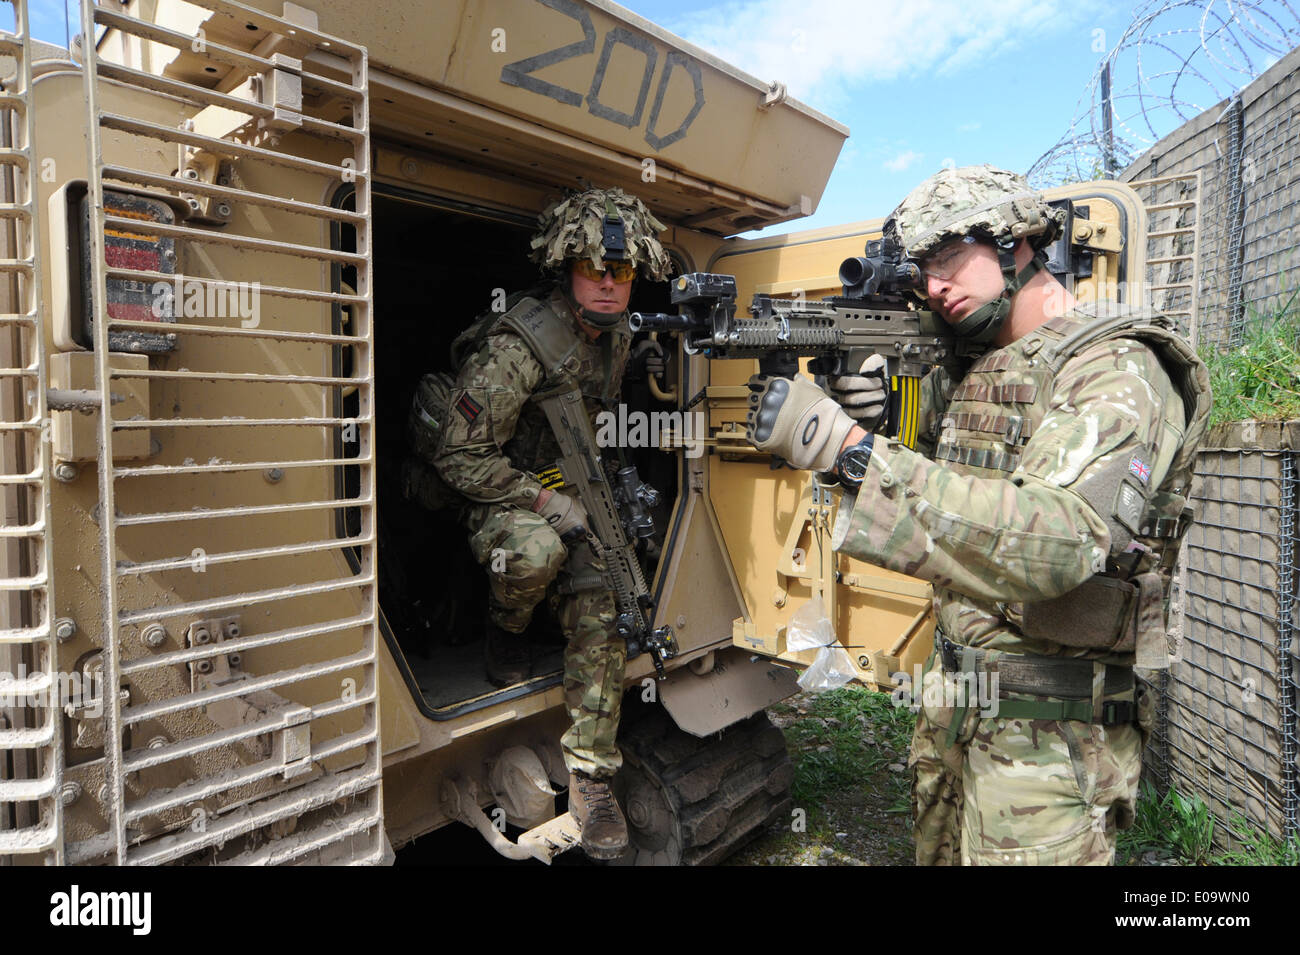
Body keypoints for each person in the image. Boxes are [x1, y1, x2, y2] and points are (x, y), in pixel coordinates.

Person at [745, 165, 1211, 865]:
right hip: (956, 709)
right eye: (923, 270)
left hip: (1051, 746)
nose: (934, 286)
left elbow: (1059, 538)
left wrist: (851, 452)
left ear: (1015, 242)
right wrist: (882, 420)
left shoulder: (1117, 366)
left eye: (947, 258)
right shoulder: (977, 371)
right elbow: (956, 490)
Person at [429, 187, 672, 860]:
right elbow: (459, 454)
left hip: (566, 478)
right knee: (537, 552)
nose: (607, 283)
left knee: (606, 590)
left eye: (620, 272)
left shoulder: (617, 335)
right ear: (565, 269)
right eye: (593, 268)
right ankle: (503, 634)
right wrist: (545, 503)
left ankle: (592, 776)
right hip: (495, 486)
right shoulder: (522, 342)